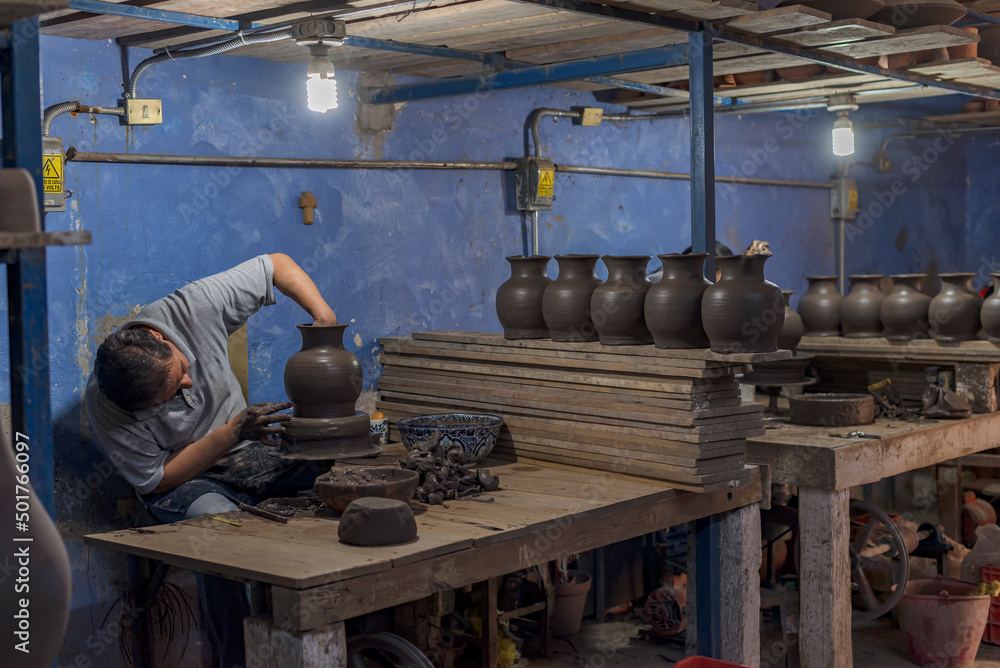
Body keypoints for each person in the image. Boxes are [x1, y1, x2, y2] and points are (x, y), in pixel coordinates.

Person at [86, 253, 337, 668]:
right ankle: (236, 659)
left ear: (164, 341)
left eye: (181, 370)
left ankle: (339, 629)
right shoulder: (106, 401)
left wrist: (323, 318)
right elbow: (155, 481)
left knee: (328, 476)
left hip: (244, 450)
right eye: (172, 393)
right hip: (183, 481)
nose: (187, 383)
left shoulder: (193, 308)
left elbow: (275, 265)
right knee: (222, 535)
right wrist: (232, 431)